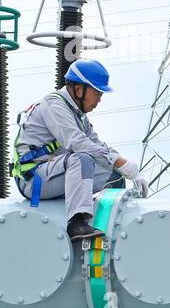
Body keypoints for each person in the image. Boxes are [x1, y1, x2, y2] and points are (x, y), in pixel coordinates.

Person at [11, 60, 148, 240]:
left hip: (56, 175)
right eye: (97, 92)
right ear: (78, 89)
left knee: (114, 174)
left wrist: (128, 170)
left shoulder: (79, 116)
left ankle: (120, 225)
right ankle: (76, 223)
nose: (100, 99)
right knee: (81, 158)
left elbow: (99, 145)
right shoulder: (54, 105)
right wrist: (119, 163)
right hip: (34, 180)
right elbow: (78, 143)